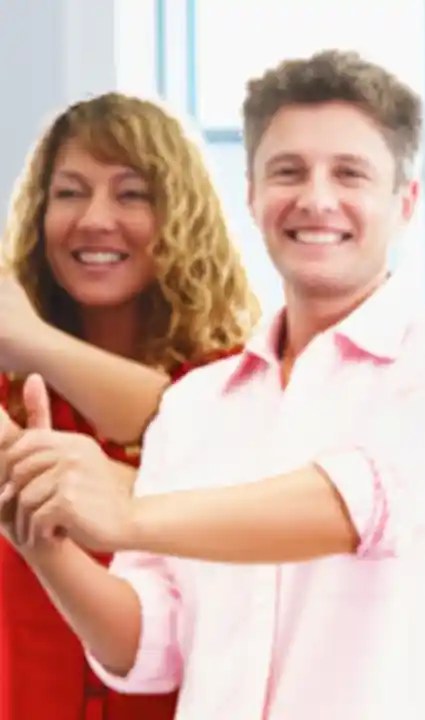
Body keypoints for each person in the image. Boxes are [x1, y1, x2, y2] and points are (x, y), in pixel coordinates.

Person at [0, 50, 425, 719]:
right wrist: (43, 540)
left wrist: (128, 512)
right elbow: (148, 649)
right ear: (251, 194)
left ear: (406, 203)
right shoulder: (195, 405)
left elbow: (357, 506)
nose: (315, 198)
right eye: (288, 172)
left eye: (349, 173)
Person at [0, 92, 259, 720]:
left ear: (180, 216)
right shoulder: (11, 397)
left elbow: (177, 425)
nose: (94, 218)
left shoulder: (235, 386)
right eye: (68, 192)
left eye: (131, 193)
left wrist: (29, 338)